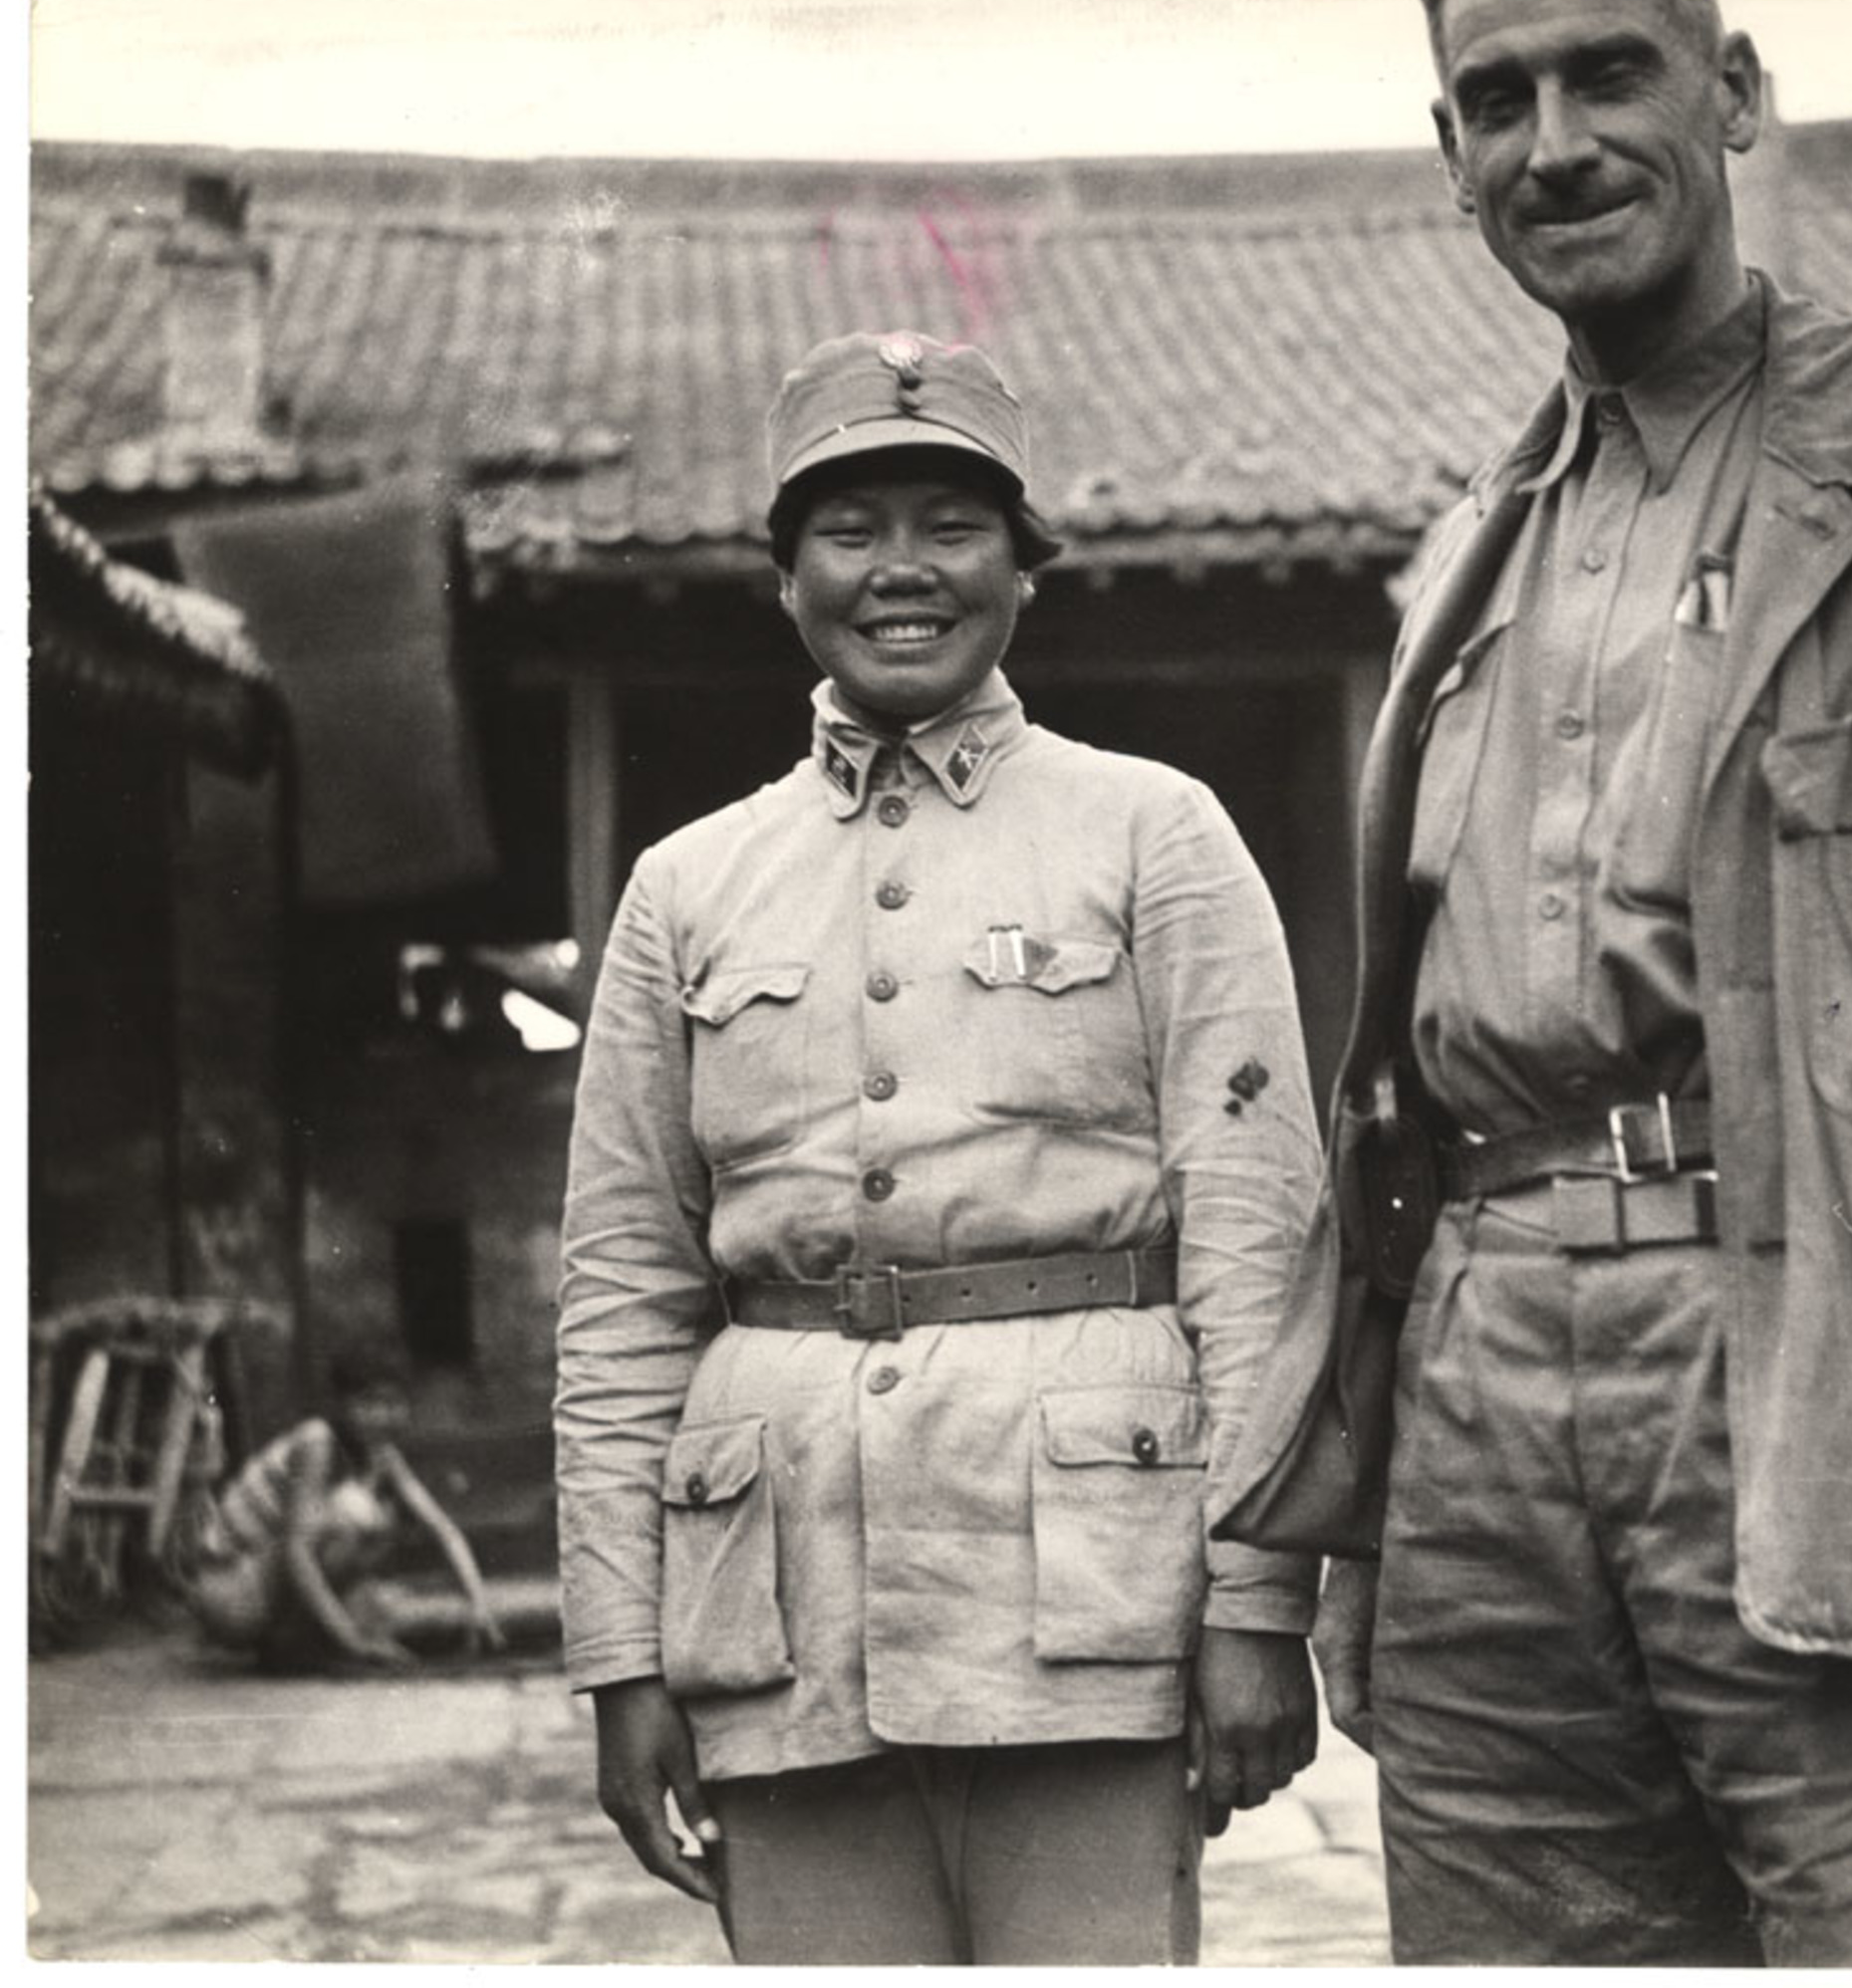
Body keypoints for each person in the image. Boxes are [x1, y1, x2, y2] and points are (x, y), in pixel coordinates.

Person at [1210, 0, 1852, 1969]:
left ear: (1738, 93)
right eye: (1495, 99)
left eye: (1609, 72)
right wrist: (1345, 1509)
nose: (1554, 144)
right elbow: (1398, 1086)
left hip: (1834, 1370)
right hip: (1480, 1406)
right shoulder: (1465, 561)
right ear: (1449, 155)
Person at [555, 330, 1323, 1965]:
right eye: (849, 530)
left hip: (1088, 1601)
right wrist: (620, 1655)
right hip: (776, 1605)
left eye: (953, 526)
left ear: (1024, 567)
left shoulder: (1155, 832)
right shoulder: (686, 886)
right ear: (785, 578)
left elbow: (1260, 1245)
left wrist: (1260, 1604)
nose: (901, 570)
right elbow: (622, 1294)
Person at [183, 1374, 504, 1670]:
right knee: (353, 1516)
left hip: (263, 1580)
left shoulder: (383, 1456)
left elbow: (444, 1531)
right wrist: (353, 1642)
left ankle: (295, 1642)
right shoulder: (316, 1439)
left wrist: (479, 1605)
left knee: (377, 1584)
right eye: (369, 1403)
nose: (382, 1415)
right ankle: (294, 1643)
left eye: (392, 1403)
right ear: (342, 1405)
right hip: (231, 1592)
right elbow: (297, 1550)